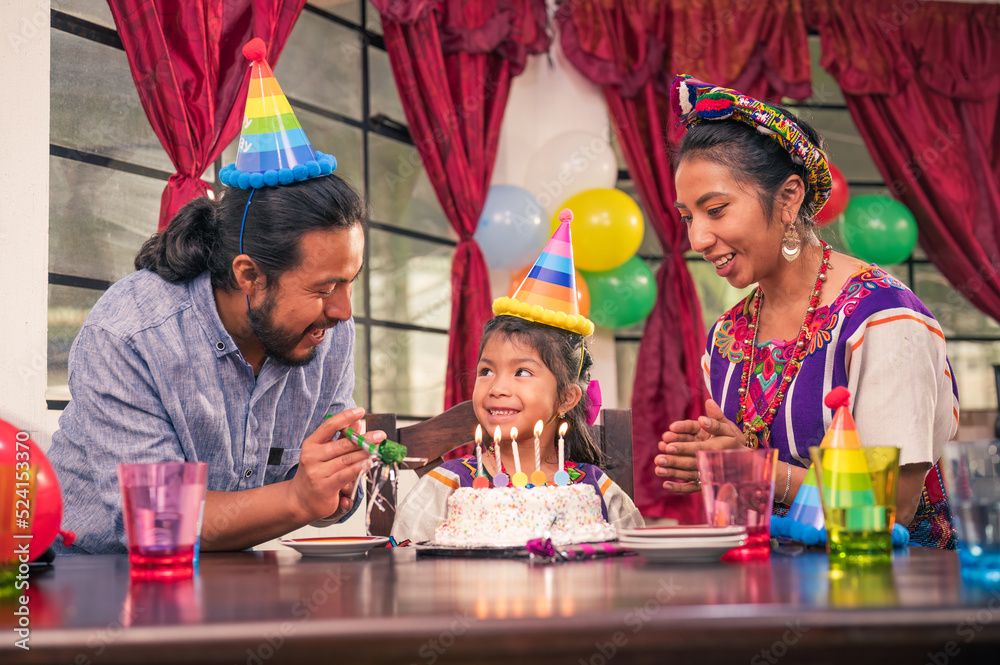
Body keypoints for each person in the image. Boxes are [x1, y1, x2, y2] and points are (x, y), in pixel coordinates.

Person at [47, 38, 382, 554]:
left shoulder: (326, 329)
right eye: (323, 289)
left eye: (349, 281)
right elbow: (159, 523)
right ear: (249, 274)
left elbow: (312, 487)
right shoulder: (131, 333)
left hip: (230, 579)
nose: (342, 311)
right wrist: (297, 497)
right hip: (94, 583)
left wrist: (337, 484)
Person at [653, 76, 959, 548]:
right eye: (688, 216)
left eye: (716, 210)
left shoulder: (884, 320)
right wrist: (716, 461)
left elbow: (892, 508)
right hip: (768, 592)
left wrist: (757, 470)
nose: (697, 239)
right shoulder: (727, 337)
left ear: (790, 197)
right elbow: (749, 510)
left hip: (885, 595)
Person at [392, 214, 643, 544]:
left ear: (567, 398)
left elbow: (631, 573)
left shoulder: (596, 491)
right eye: (486, 371)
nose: (497, 388)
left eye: (522, 372)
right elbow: (405, 572)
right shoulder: (445, 486)